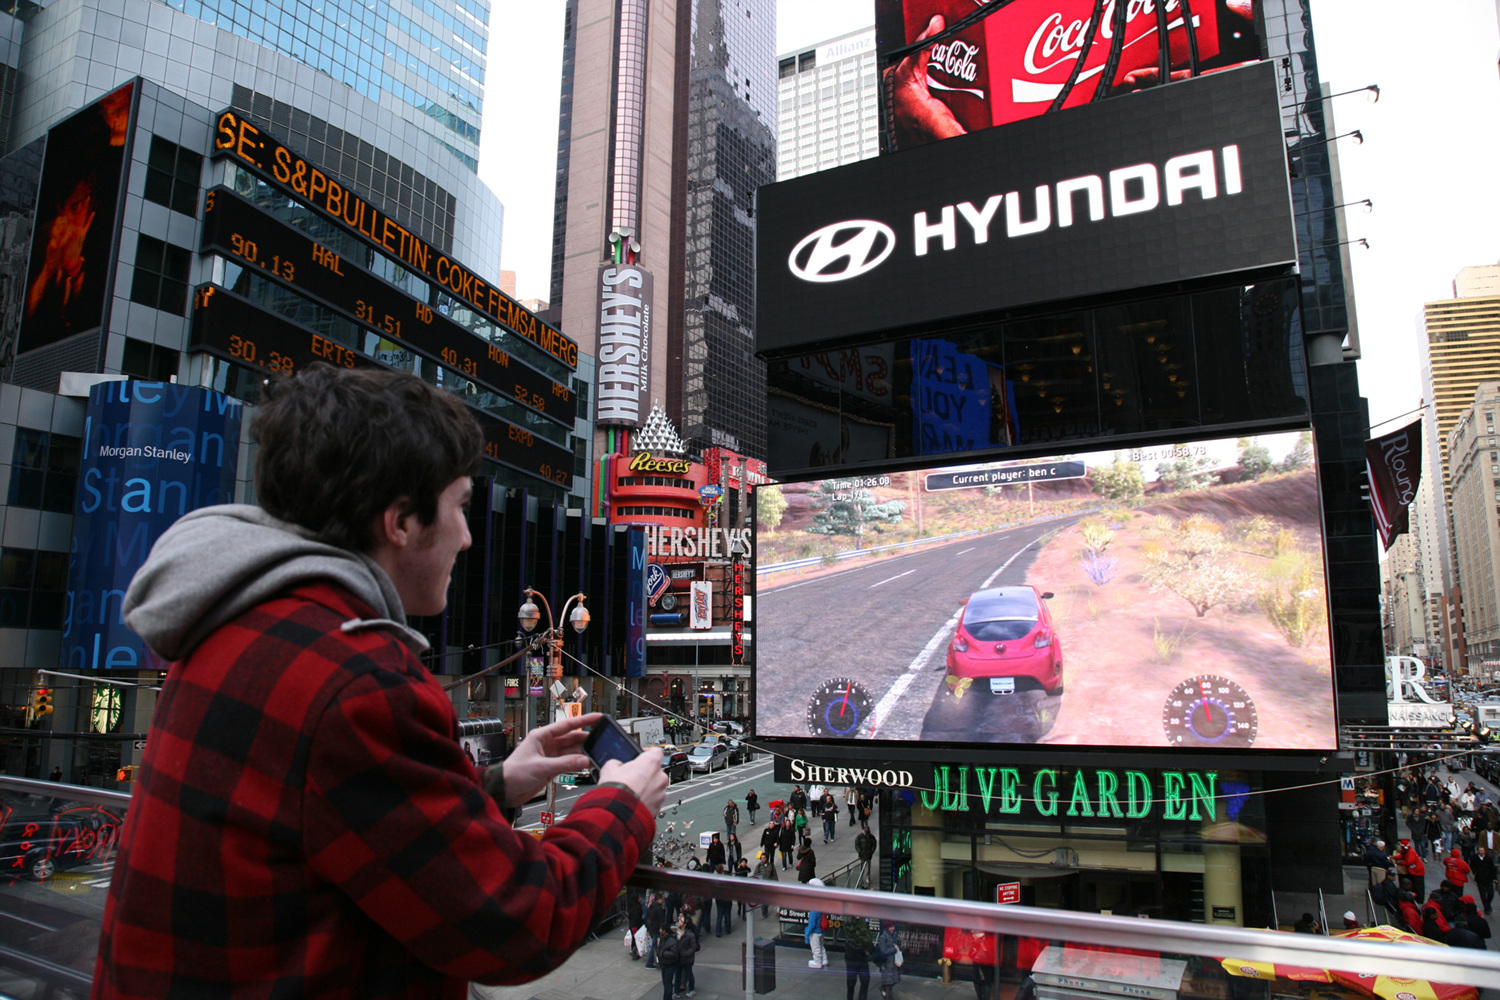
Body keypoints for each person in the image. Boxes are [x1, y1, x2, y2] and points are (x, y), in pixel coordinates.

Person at [92, 365, 666, 997]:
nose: (469, 537)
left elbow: (323, 803)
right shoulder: (357, 682)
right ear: (400, 521)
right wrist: (622, 805)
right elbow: (518, 921)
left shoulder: (237, 620)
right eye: (460, 507)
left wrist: (499, 782)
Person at [844, 913, 874, 1000]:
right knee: (851, 982)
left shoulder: (863, 926)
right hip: (852, 959)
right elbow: (850, 942)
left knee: (865, 980)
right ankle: (850, 998)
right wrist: (863, 947)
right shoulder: (850, 927)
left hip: (861, 959)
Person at [874, 920, 902, 1000]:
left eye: (893, 927)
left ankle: (883, 988)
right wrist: (894, 949)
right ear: (887, 928)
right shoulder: (883, 937)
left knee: (894, 980)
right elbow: (883, 951)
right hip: (886, 964)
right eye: (890, 927)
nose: (892, 929)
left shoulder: (894, 935)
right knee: (889, 984)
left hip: (894, 963)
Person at [657, 916, 682, 1000]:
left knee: (668, 985)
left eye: (661, 929)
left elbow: (675, 953)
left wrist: (662, 953)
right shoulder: (662, 939)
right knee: (665, 983)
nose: (659, 930)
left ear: (665, 931)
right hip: (664, 965)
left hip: (669, 965)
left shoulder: (671, 941)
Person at [804, 878, 828, 968]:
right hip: (821, 931)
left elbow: (812, 924)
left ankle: (817, 962)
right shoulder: (821, 906)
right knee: (821, 946)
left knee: (816, 948)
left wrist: (807, 934)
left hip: (816, 931)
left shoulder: (814, 909)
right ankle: (824, 960)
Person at [676, 914, 700, 997]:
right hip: (679, 957)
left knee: (689, 973)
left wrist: (686, 953)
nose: (679, 922)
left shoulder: (690, 935)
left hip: (687, 958)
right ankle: (677, 991)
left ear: (685, 924)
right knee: (678, 974)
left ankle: (691, 989)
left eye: (681, 921)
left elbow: (693, 947)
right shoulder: (677, 931)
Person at [1471, 845, 1496, 915]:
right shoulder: (1474, 858)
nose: (1482, 852)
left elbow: (1492, 868)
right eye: (1481, 850)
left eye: (1483, 850)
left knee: (1491, 893)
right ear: (1478, 851)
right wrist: (1475, 872)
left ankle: (1488, 904)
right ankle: (1486, 908)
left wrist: (1495, 878)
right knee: (1483, 894)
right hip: (1480, 879)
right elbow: (1472, 865)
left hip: (1488, 878)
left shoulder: (1488, 858)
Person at [754, 848, 779, 917]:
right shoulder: (759, 866)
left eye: (764, 858)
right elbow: (755, 875)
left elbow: (774, 874)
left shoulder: (770, 865)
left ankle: (776, 909)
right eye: (761, 858)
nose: (763, 859)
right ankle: (764, 912)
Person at [646, 891, 668, 968]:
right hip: (656, 929)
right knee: (655, 946)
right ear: (659, 900)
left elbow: (647, 919)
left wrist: (648, 929)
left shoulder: (651, 907)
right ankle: (649, 963)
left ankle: (653, 961)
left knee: (654, 945)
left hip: (651, 928)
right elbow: (661, 921)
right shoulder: (659, 909)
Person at [855, 823, 878, 889]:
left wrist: (871, 852)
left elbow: (874, 845)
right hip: (862, 854)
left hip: (868, 854)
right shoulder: (859, 837)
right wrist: (859, 851)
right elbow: (857, 845)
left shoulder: (871, 837)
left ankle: (867, 877)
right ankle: (861, 878)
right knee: (862, 867)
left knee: (868, 867)